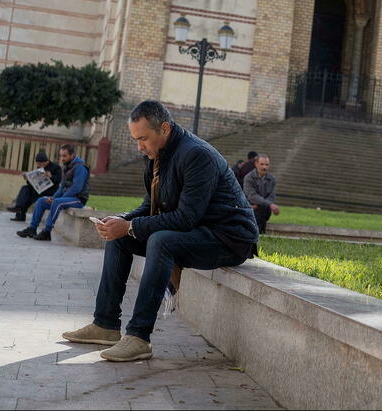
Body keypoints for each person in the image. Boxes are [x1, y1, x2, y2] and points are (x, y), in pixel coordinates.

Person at [62, 100, 258, 362]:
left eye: (143, 139)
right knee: (120, 239)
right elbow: (150, 205)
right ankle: (105, 325)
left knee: (161, 240)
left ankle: (139, 337)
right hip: (198, 231)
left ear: (164, 128)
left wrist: (130, 226)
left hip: (228, 238)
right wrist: (121, 220)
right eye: (136, 140)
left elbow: (186, 218)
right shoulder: (158, 154)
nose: (139, 147)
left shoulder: (196, 154)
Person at [16, 144, 90, 241]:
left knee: (57, 202)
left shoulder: (80, 168)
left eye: (64, 156)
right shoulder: (66, 167)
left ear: (72, 155)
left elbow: (77, 188)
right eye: (61, 155)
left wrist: (59, 199)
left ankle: (47, 232)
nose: (62, 158)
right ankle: (32, 229)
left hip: (78, 199)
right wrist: (54, 197)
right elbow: (62, 186)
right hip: (65, 198)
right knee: (41, 201)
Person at [7, 151, 62, 222]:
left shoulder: (56, 167)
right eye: (38, 164)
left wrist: (51, 176)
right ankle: (19, 211)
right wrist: (28, 179)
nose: (39, 166)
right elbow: (34, 183)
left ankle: (19, 212)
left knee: (30, 195)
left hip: (50, 191)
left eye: (40, 164)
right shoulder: (40, 168)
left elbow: (59, 180)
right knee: (25, 189)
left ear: (46, 161)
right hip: (40, 189)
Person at [243, 154, 280, 234]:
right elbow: (252, 196)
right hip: (252, 210)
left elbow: (272, 196)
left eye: (267, 165)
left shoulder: (272, 179)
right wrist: (270, 205)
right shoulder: (248, 178)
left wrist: (265, 204)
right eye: (262, 164)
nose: (264, 167)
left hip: (264, 212)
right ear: (256, 164)